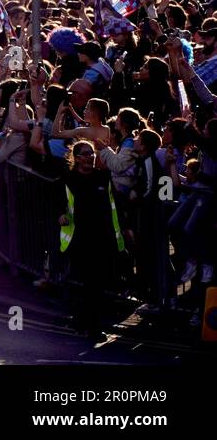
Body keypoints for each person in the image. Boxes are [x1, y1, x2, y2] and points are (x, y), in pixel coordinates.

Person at [59, 139, 125, 340]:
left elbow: (115, 204)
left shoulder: (102, 177)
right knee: (87, 284)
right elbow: (59, 202)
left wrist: (126, 229)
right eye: (86, 153)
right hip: (79, 239)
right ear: (77, 158)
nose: (91, 156)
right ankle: (86, 323)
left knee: (96, 284)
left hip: (102, 237)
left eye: (92, 153)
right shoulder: (68, 178)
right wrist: (60, 214)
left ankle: (89, 324)